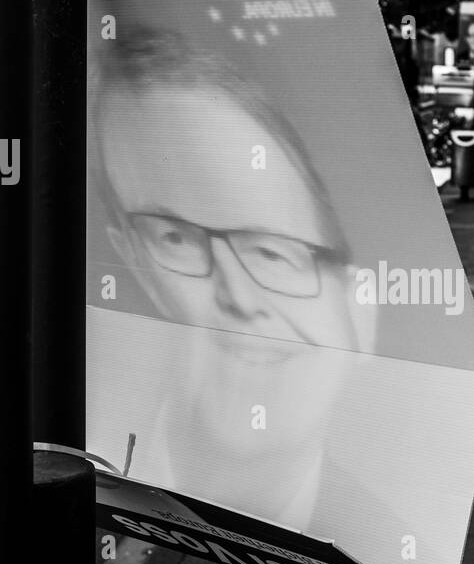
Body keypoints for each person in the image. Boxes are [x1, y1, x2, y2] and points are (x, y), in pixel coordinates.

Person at [87, 30, 382, 535]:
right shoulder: (81, 477)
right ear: (131, 256)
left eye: (272, 252)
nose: (240, 297)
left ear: (359, 305)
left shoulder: (397, 540)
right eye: (176, 239)